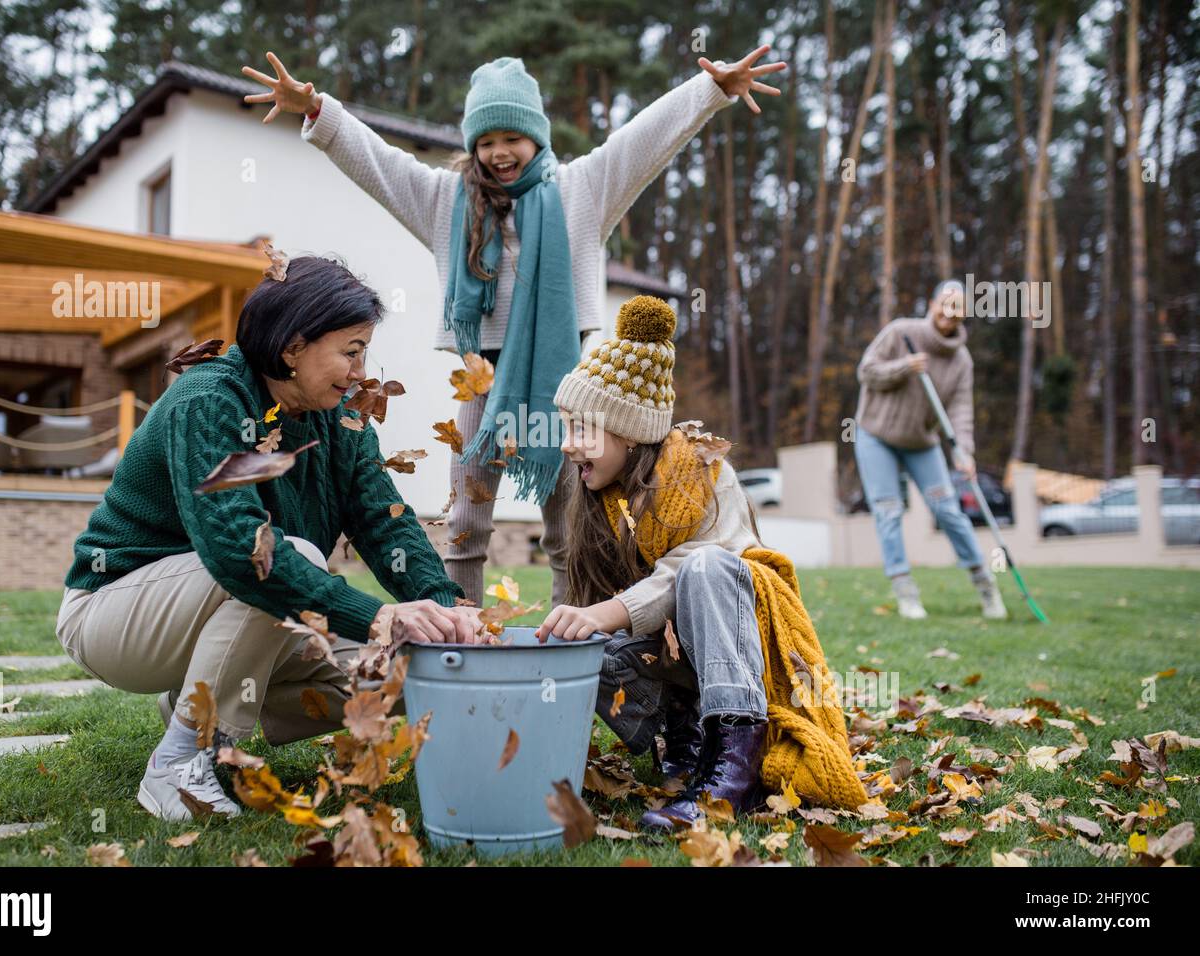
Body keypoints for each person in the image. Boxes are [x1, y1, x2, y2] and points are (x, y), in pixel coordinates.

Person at [242, 45, 786, 608]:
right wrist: (316, 110)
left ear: (538, 137)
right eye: (484, 141)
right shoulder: (444, 201)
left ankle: (568, 642)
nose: (498, 153)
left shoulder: (581, 191)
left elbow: (642, 141)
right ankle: (464, 635)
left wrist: (711, 90)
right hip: (481, 383)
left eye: (511, 138)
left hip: (563, 387)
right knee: (466, 529)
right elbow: (379, 162)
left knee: (566, 534)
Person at [55, 256, 483, 821]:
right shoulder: (213, 402)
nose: (361, 370)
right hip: (114, 615)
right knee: (281, 556)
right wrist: (379, 617)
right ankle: (179, 762)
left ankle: (195, 701)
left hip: (224, 614)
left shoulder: (340, 419)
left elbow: (386, 521)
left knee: (414, 666)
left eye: (364, 352)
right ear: (292, 348)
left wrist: (447, 609)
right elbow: (241, 553)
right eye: (351, 350)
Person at [535, 296, 867, 828]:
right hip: (671, 656)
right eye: (566, 429)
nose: (568, 446)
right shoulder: (598, 499)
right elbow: (592, 605)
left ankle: (737, 762)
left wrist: (610, 612)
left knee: (705, 569)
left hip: (736, 649)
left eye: (582, 430)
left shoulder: (702, 476)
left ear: (626, 431)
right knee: (584, 640)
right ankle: (683, 736)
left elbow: (692, 574)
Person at [853, 279, 1007, 619]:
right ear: (932, 304)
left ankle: (985, 584)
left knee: (948, 510)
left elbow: (961, 411)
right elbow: (867, 372)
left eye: (957, 309)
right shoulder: (901, 333)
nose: (949, 314)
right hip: (875, 435)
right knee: (889, 509)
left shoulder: (961, 361)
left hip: (921, 443)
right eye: (945, 305)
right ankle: (905, 591)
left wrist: (964, 451)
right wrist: (904, 367)